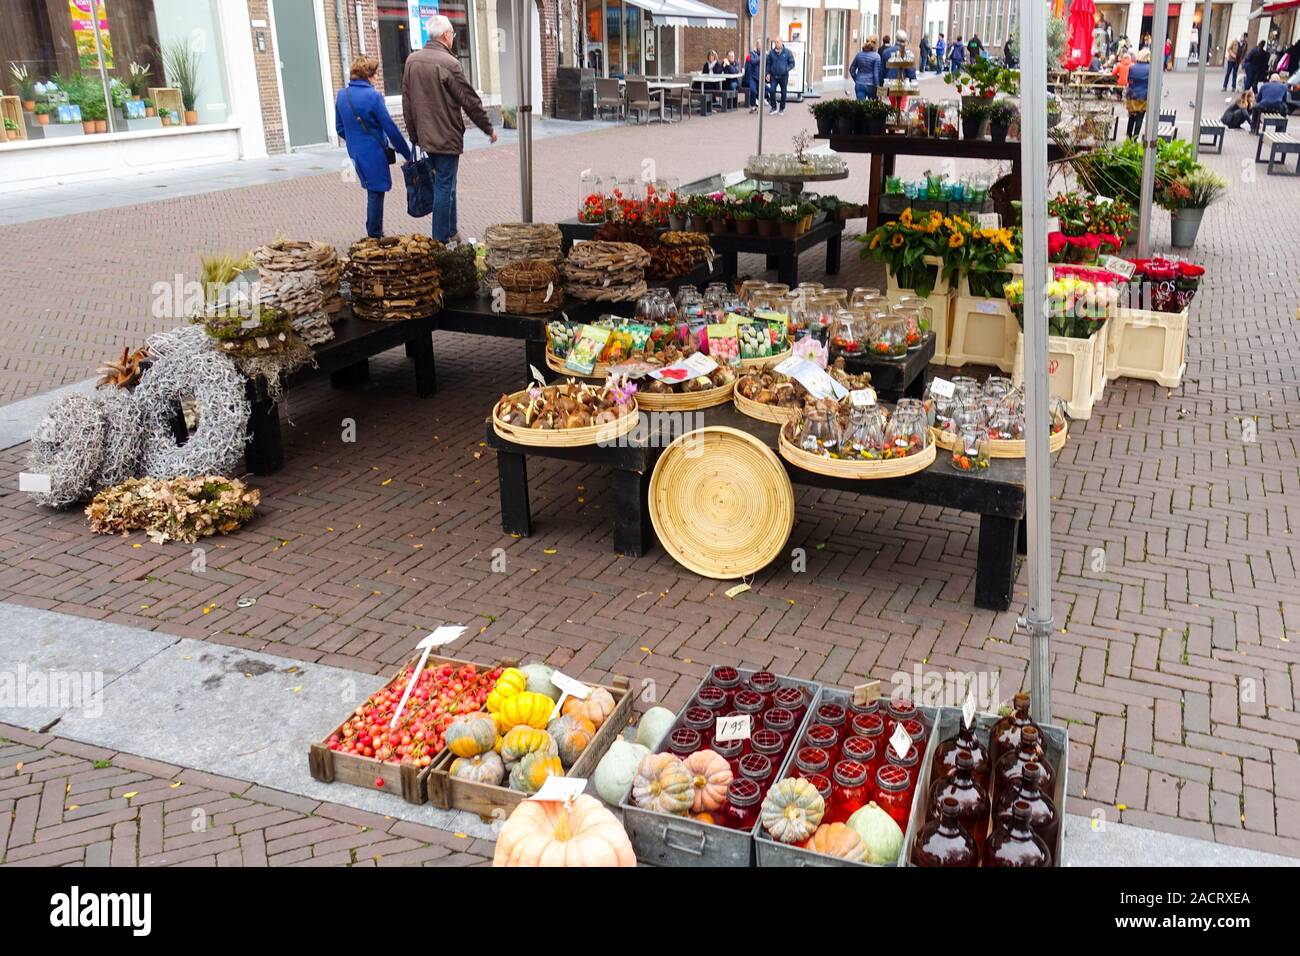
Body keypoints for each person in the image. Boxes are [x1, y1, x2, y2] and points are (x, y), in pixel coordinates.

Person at [402, 14, 496, 243]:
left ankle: (451, 231)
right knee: (444, 186)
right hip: (446, 137)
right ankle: (440, 238)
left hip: (426, 136)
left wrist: (414, 135)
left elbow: (407, 102)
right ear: (446, 36)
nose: (453, 38)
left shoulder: (412, 61)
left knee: (447, 184)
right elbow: (470, 100)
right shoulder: (450, 64)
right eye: (452, 34)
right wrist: (488, 128)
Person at [335, 56, 412, 239]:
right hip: (374, 152)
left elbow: (339, 128)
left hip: (355, 152)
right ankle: (374, 235)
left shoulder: (342, 95)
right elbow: (390, 128)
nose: (377, 77)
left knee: (373, 189)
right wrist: (407, 153)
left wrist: (355, 141)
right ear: (367, 75)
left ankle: (375, 232)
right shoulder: (373, 96)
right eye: (375, 73)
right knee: (376, 191)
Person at [1125, 48, 1151, 139]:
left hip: (1131, 95)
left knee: (1131, 117)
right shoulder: (1150, 69)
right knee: (1139, 118)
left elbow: (1129, 80)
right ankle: (1135, 139)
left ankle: (1128, 137)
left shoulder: (1132, 67)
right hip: (1143, 96)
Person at [766, 38, 796, 115]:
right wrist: (768, 73)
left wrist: (786, 69)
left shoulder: (787, 52)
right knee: (772, 90)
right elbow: (768, 63)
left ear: (781, 42)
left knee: (783, 93)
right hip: (774, 76)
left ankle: (781, 109)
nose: (776, 43)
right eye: (775, 42)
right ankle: (774, 107)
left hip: (784, 76)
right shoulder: (771, 53)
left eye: (777, 42)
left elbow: (792, 63)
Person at [742, 44, 762, 112]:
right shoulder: (752, 54)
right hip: (753, 76)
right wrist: (760, 58)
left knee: (762, 92)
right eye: (759, 45)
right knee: (753, 90)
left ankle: (759, 107)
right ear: (757, 45)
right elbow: (752, 61)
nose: (760, 46)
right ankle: (753, 105)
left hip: (761, 77)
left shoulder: (765, 54)